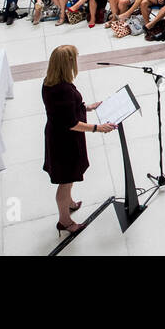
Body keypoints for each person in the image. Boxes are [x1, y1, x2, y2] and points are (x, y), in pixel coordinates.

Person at [42, 45, 115, 235]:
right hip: (64, 142)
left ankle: (70, 203)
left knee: (69, 176)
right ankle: (64, 221)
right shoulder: (63, 90)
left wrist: (87, 107)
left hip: (58, 136)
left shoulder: (50, 82)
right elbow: (71, 123)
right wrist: (98, 128)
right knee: (65, 180)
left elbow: (65, 111)